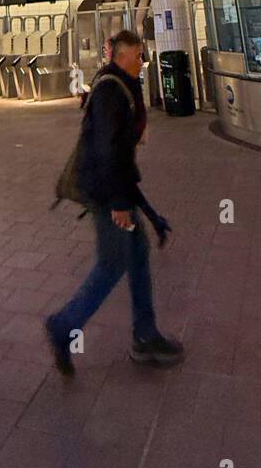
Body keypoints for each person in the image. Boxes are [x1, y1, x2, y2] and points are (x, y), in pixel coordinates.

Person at [45, 30, 182, 375]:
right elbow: (109, 153)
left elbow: (122, 157)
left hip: (114, 188)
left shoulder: (123, 86)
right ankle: (63, 327)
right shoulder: (111, 91)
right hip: (106, 193)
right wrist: (121, 205)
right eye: (138, 56)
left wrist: (149, 214)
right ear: (120, 56)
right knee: (111, 264)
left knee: (137, 254)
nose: (142, 62)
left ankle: (146, 335)